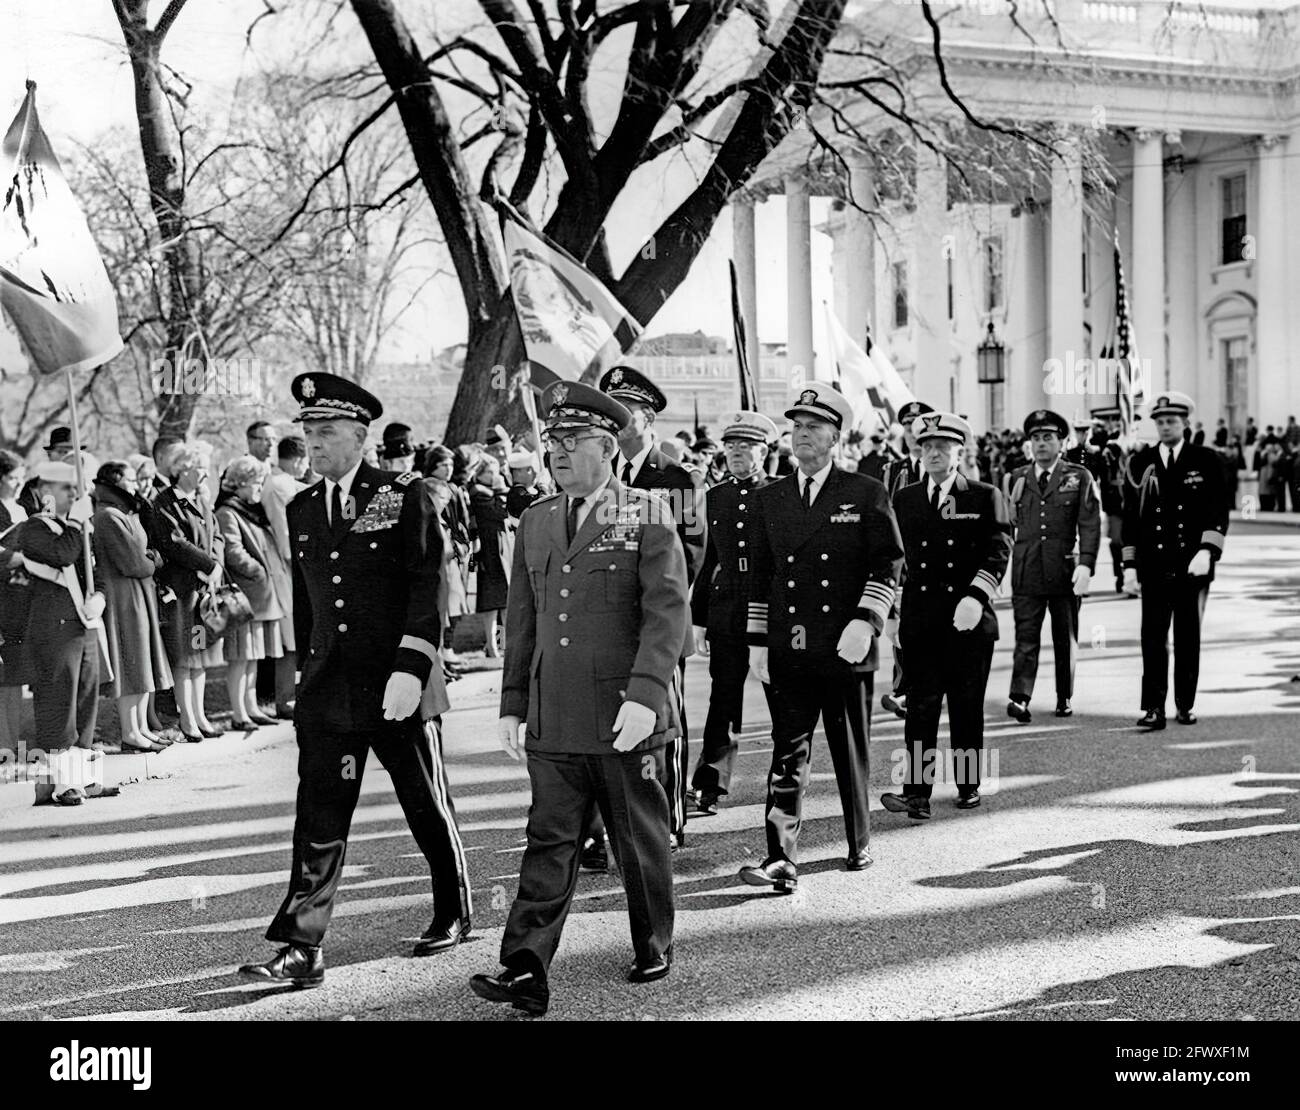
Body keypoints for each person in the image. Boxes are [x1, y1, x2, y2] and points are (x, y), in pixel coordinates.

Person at [239, 372, 470, 987]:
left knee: (424, 801)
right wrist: (304, 673)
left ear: (360, 435)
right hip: (329, 688)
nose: (313, 441)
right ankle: (301, 945)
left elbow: (428, 586)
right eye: (308, 431)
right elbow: (312, 602)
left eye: (327, 430)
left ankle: (453, 907)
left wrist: (414, 667)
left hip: (394, 682)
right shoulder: (304, 506)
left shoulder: (404, 493)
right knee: (319, 814)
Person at [472, 380, 689, 1017]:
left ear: (608, 446)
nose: (557, 453)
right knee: (548, 841)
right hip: (555, 713)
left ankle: (653, 940)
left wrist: (646, 695)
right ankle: (524, 969)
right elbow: (524, 620)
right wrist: (513, 703)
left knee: (636, 835)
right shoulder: (537, 519)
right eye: (553, 442)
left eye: (571, 442)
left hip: (625, 711)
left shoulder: (646, 511)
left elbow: (666, 611)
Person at [738, 384, 903, 890]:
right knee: (787, 752)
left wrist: (867, 620)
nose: (802, 435)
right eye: (797, 427)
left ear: (835, 437)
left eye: (814, 428)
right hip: (791, 645)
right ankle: (780, 857)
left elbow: (889, 563)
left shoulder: (864, 491)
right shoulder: (771, 498)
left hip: (846, 643)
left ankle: (860, 841)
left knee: (849, 746)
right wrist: (758, 641)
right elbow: (761, 575)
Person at [880, 412, 1012, 820]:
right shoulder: (906, 498)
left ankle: (969, 784)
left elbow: (1000, 547)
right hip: (921, 619)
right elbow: (895, 558)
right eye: (926, 447)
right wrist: (892, 611)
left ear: (960, 452)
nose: (933, 453)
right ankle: (915, 793)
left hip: (968, 618)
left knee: (966, 705)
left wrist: (977, 594)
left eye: (942, 447)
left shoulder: (983, 494)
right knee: (921, 707)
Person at [599, 364, 705, 853]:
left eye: (628, 413)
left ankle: (670, 818)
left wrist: (668, 609)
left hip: (659, 621)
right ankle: (609, 828)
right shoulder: (597, 475)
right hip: (609, 624)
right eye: (613, 413)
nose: (618, 423)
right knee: (609, 723)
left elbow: (694, 549)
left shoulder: (675, 476)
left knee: (666, 724)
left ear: (648, 419)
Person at [688, 411, 778, 815]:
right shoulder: (716, 496)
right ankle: (710, 782)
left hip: (771, 610)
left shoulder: (780, 494)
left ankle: (786, 781)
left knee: (781, 698)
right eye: (731, 446)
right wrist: (699, 617)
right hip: (726, 610)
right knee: (723, 698)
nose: (736, 453)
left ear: (764, 451)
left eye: (746, 446)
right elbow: (710, 561)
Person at [1122, 392, 1229, 729]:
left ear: (1186, 423)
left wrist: (1207, 550)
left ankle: (1185, 704)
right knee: (1152, 637)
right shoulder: (1140, 463)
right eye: (1160, 421)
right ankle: (1154, 707)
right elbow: (1131, 518)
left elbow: (1218, 509)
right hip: (1154, 564)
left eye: (1172, 420)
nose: (1165, 426)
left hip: (1192, 563)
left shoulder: (1206, 459)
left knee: (1187, 637)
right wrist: (1129, 565)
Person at [12, 462, 105, 805]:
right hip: (53, 630)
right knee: (58, 705)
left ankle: (85, 778)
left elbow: (98, 570)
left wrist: (100, 597)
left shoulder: (77, 529)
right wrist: (78, 522)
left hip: (84, 624)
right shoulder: (34, 529)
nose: (74, 495)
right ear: (44, 490)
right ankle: (64, 783)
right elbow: (60, 554)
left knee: (85, 704)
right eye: (67, 488)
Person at [1001, 410, 1101, 723]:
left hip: (1063, 570)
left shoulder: (1078, 476)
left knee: (1064, 635)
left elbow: (1089, 523)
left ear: (1062, 441)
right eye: (1036, 438)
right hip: (1027, 569)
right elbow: (1005, 526)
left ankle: (1063, 695)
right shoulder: (1016, 478)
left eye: (1048, 437)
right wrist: (1000, 569)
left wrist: (1085, 564)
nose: (1041, 444)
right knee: (1025, 637)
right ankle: (1020, 697)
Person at [92, 460, 175, 752]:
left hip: (138, 594)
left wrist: (148, 558)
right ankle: (130, 731)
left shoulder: (125, 512)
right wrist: (154, 560)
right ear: (115, 482)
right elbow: (133, 562)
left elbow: (142, 557)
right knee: (131, 664)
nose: (136, 484)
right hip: (123, 597)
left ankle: (141, 727)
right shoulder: (108, 516)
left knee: (143, 663)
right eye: (130, 479)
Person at [151, 443, 225, 742]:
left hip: (202, 588)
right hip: (182, 590)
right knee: (185, 658)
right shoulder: (165, 502)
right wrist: (205, 564)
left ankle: (200, 715)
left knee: (200, 656)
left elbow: (216, 534)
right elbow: (174, 542)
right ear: (182, 469)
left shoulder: (201, 500)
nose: (204, 473)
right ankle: (187, 720)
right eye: (200, 467)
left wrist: (215, 564)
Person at [214, 456, 284, 730]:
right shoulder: (228, 512)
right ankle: (238, 713)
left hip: (261, 596)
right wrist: (259, 570)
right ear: (241, 483)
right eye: (256, 483)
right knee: (240, 657)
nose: (259, 488)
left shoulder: (248, 509)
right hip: (245, 596)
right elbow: (233, 551)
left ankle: (251, 707)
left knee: (253, 656)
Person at [878, 399, 933, 719]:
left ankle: (926, 688)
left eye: (920, 425)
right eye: (909, 426)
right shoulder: (892, 471)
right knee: (899, 627)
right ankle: (903, 690)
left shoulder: (950, 468)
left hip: (940, 560)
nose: (914, 432)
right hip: (905, 561)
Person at [261, 437, 309, 717]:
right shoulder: (280, 487)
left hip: (287, 568)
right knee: (291, 637)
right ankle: (285, 697)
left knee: (294, 637)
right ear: (295, 459)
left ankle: (290, 695)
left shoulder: (284, 483)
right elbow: (284, 532)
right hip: (286, 568)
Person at [0, 449, 31, 751]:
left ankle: (11, 743)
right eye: (12, 478)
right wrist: (17, 556)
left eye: (22, 477)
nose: (19, 483)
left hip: (19, 598)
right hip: (2, 594)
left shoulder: (21, 508)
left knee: (15, 675)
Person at [469, 452, 512, 658]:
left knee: (503, 601)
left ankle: (501, 644)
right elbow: (500, 512)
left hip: (500, 550)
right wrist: (502, 488)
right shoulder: (479, 493)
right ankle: (493, 646)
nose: (494, 474)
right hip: (489, 552)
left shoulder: (490, 492)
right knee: (491, 603)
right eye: (489, 471)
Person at [17, 426, 76, 516]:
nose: (66, 457)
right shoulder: (33, 488)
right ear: (49, 454)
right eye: (61, 452)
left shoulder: (83, 490)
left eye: (70, 453)